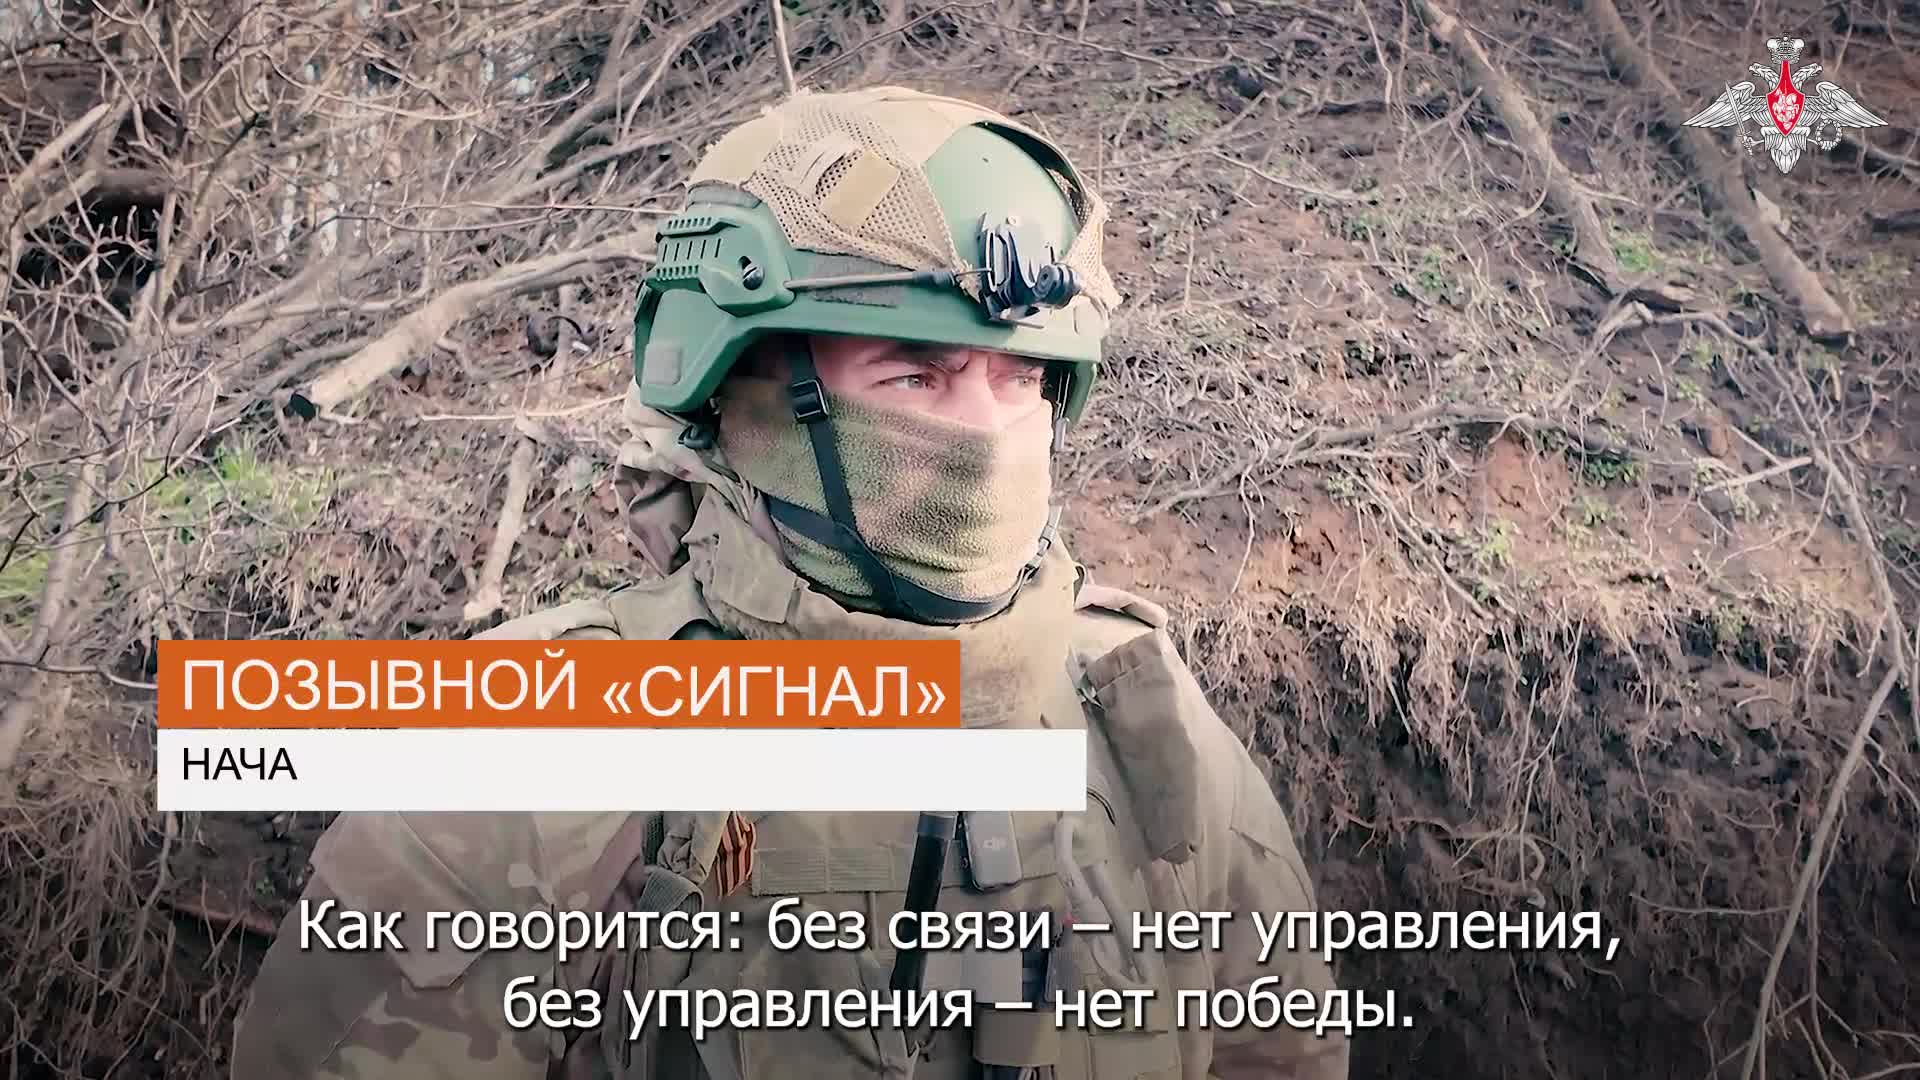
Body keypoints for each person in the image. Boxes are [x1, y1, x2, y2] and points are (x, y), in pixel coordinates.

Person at [231, 86, 1350, 1080]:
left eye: (1021, 379)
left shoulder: (1137, 711)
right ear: (745, 389)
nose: (986, 431)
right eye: (916, 375)